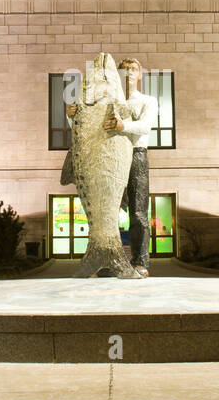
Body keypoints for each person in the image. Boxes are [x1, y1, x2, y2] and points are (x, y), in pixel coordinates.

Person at [67, 57, 156, 276]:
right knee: (108, 211)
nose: (129, 73)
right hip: (109, 160)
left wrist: (122, 125)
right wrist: (71, 116)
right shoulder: (105, 100)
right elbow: (87, 128)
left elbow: (145, 126)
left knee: (137, 212)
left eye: (134, 69)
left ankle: (139, 261)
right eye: (124, 70)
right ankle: (107, 260)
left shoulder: (146, 100)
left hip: (136, 155)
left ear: (140, 75)